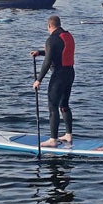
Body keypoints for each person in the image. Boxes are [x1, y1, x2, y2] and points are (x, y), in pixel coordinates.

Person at [31, 16, 75, 147]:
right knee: (64, 105)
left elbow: (48, 61)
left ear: (49, 26)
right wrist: (39, 52)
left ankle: (53, 140)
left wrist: (38, 80)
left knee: (52, 106)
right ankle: (68, 135)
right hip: (70, 73)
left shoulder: (51, 39)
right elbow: (57, 51)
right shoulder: (67, 35)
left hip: (58, 76)